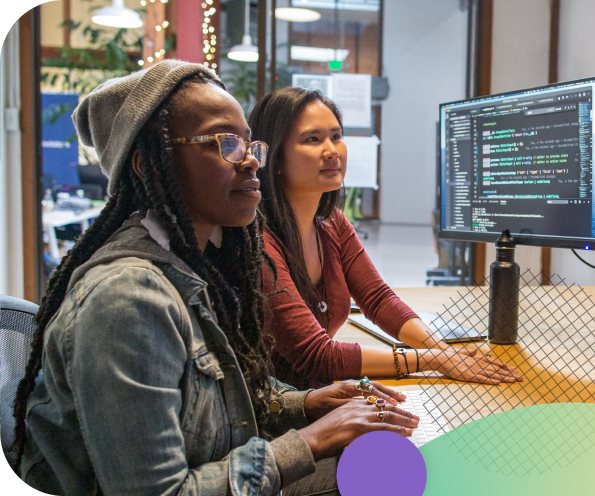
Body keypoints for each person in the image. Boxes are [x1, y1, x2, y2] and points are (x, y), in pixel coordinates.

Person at [11, 60, 418, 496]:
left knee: (388, 458)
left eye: (248, 143)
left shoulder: (198, 264)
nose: (249, 162)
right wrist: (312, 438)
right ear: (150, 165)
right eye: (223, 142)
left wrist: (308, 402)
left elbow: (222, 400)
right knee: (388, 470)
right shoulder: (129, 298)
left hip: (222, 467)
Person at [249, 87, 522, 389]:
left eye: (336, 137)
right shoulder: (259, 241)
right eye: (313, 139)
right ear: (275, 157)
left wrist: (443, 351)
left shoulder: (331, 223)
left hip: (315, 394)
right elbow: (318, 355)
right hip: (272, 412)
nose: (331, 151)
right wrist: (432, 360)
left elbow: (378, 299)